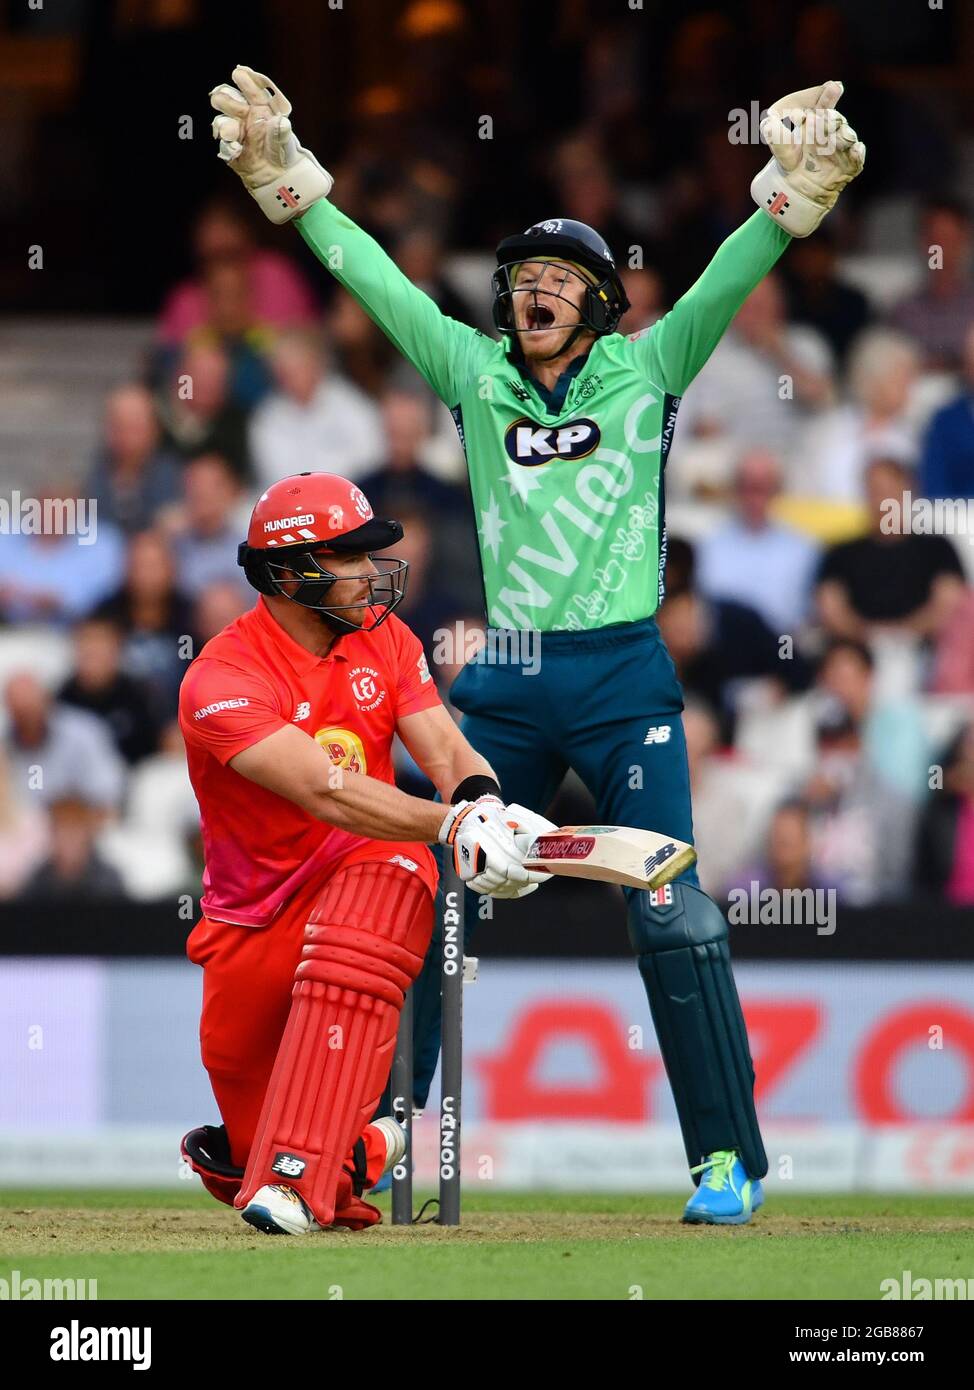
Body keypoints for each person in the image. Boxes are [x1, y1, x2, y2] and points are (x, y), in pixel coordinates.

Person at [210, 66, 864, 1224]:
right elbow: (378, 282)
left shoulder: (651, 368)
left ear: (600, 302)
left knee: (670, 910)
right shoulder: (469, 374)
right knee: (403, 882)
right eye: (523, 278)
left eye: (562, 279)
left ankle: (723, 1158)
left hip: (622, 676)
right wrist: (294, 189)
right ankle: (364, 1134)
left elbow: (727, 273)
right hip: (504, 679)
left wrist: (789, 195)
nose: (537, 293)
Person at [178, 472, 554, 1235]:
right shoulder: (220, 680)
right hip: (253, 915)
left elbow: (443, 746)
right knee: (254, 1147)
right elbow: (326, 791)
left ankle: (295, 1181)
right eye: (347, 557)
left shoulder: (387, 637)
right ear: (289, 573)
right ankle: (365, 1149)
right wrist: (450, 827)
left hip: (371, 864)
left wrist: (481, 806)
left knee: (371, 904)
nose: (369, 572)